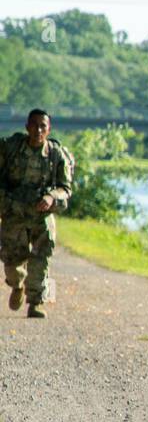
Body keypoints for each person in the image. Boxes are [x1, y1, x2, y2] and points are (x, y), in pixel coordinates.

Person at [1, 109, 74, 318]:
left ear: (49, 130)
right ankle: (17, 285)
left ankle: (36, 302)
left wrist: (51, 197)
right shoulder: (10, 149)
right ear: (27, 127)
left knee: (41, 259)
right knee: (12, 264)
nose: (38, 130)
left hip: (41, 215)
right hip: (13, 213)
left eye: (43, 126)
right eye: (34, 125)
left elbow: (65, 189)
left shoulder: (56, 155)